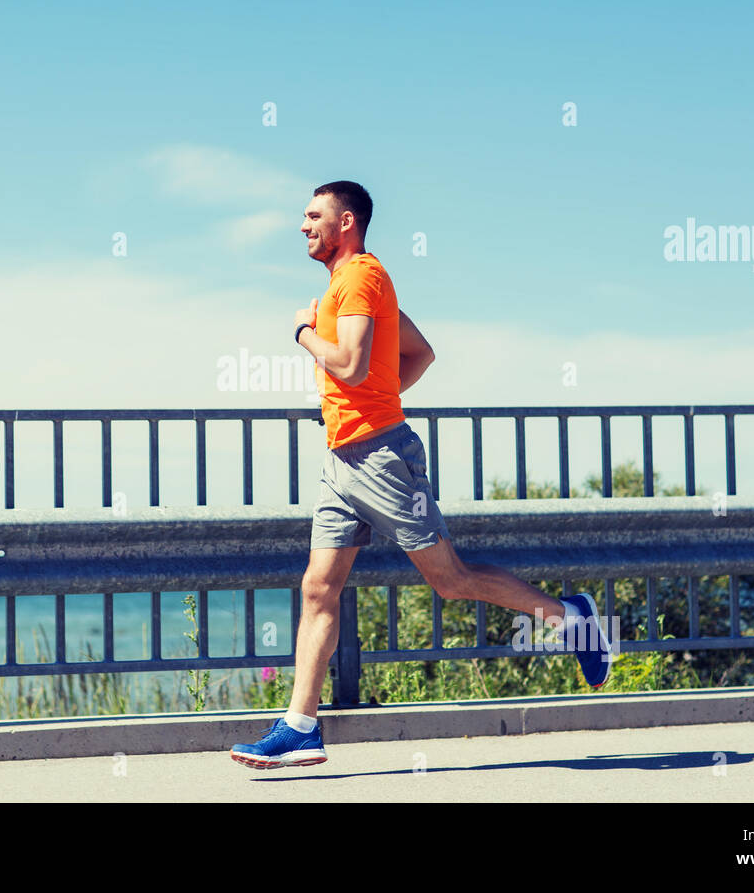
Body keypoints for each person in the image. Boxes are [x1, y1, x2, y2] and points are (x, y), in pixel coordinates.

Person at [229, 180, 611, 770]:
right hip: (342, 459)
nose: (302, 226)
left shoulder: (360, 276)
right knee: (317, 588)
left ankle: (573, 619)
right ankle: (300, 727)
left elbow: (353, 365)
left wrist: (302, 333)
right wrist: (372, 396)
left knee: (450, 581)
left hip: (381, 458)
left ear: (346, 221)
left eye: (312, 216)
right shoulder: (347, 284)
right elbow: (420, 353)